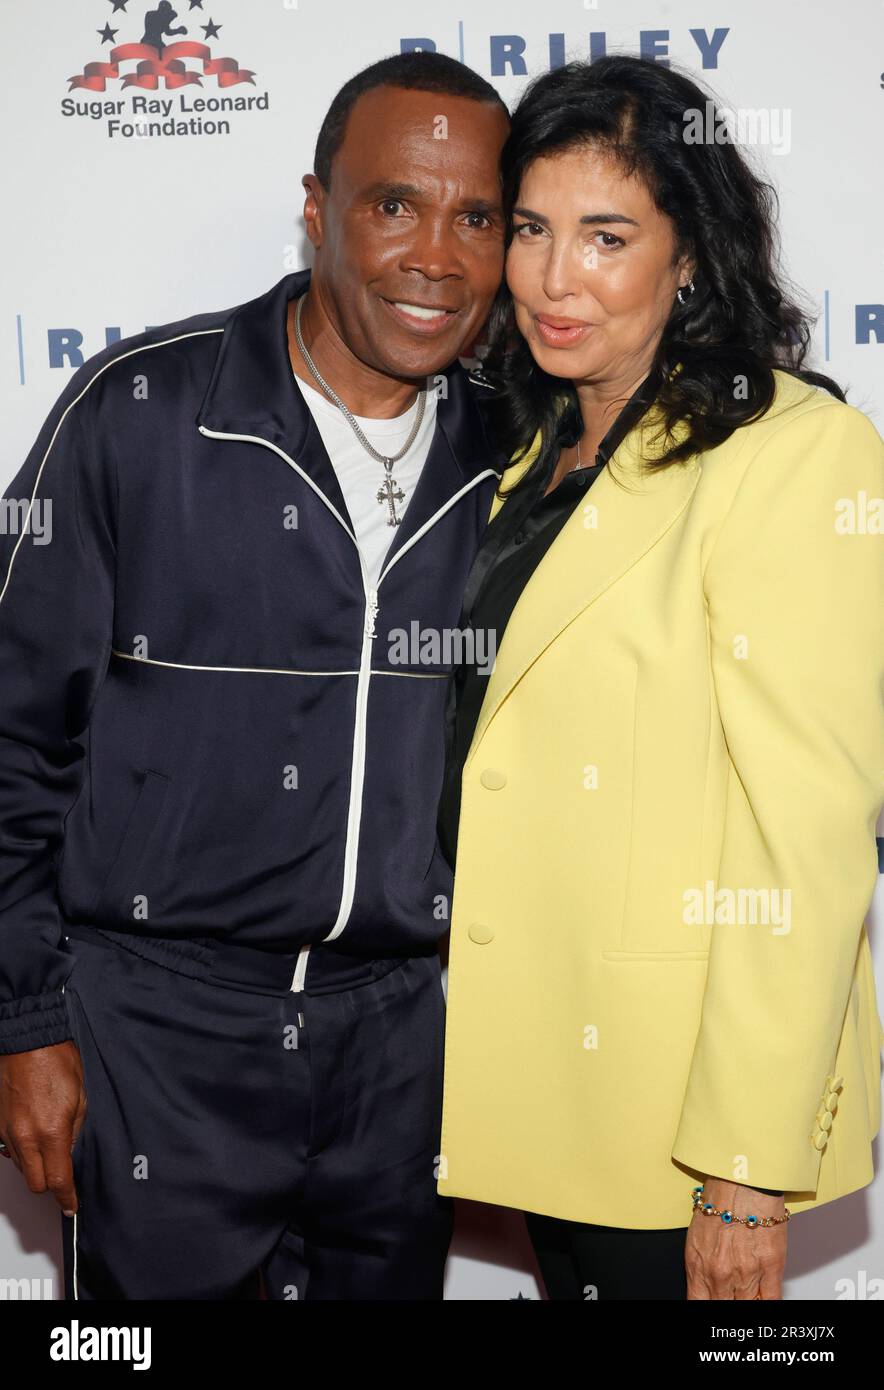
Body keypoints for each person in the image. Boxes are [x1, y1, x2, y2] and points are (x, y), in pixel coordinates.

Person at [0, 51, 510, 1300]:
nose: (435, 255)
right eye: (395, 203)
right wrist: (23, 1020)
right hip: (155, 1035)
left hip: (401, 1047)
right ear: (317, 205)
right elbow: (11, 736)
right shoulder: (141, 410)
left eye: (477, 217)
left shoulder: (518, 447)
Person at [436, 55, 884, 1300]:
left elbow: (802, 836)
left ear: (688, 257)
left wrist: (742, 1165)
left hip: (674, 1118)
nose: (552, 276)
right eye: (529, 228)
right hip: (541, 1081)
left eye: (606, 235)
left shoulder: (791, 453)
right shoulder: (529, 452)